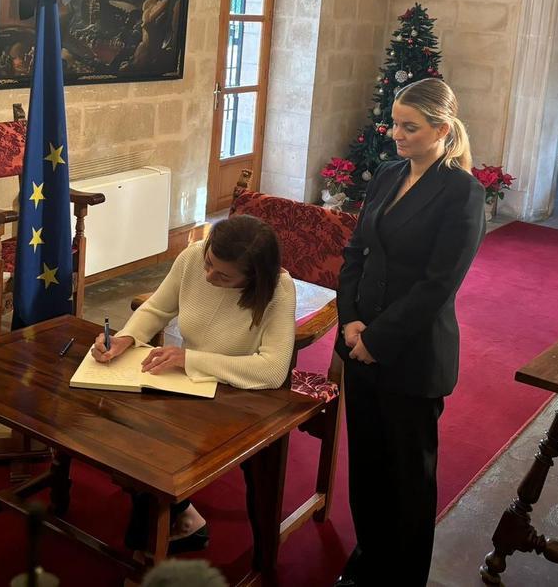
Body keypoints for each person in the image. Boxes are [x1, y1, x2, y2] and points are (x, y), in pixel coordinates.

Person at [334, 77, 486, 587]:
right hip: (360, 343)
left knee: (408, 478)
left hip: (412, 354)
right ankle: (369, 555)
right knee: (367, 466)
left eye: (409, 126)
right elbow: (356, 251)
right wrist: (350, 319)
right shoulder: (387, 173)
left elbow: (438, 285)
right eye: (394, 123)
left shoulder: (462, 193)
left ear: (442, 129)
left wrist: (378, 339)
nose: (395, 134)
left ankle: (402, 575)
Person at [90, 215, 297, 554]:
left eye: (223, 275)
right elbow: (157, 308)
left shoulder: (278, 289)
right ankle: (178, 518)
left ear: (254, 277)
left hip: (240, 398)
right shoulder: (193, 257)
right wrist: (125, 338)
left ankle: (142, 548)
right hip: (190, 385)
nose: (208, 275)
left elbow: (272, 370)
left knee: (154, 445)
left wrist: (189, 359)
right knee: (121, 425)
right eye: (209, 263)